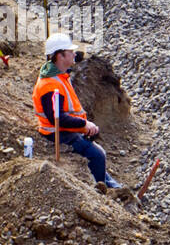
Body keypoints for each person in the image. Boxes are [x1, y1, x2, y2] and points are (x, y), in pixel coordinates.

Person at [32, 33, 122, 189]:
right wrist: (84, 124)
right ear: (60, 56)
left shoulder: (59, 76)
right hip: (57, 133)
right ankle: (101, 190)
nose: (74, 54)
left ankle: (107, 181)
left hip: (64, 129)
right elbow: (57, 118)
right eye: (70, 51)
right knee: (98, 154)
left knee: (97, 152)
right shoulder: (51, 86)